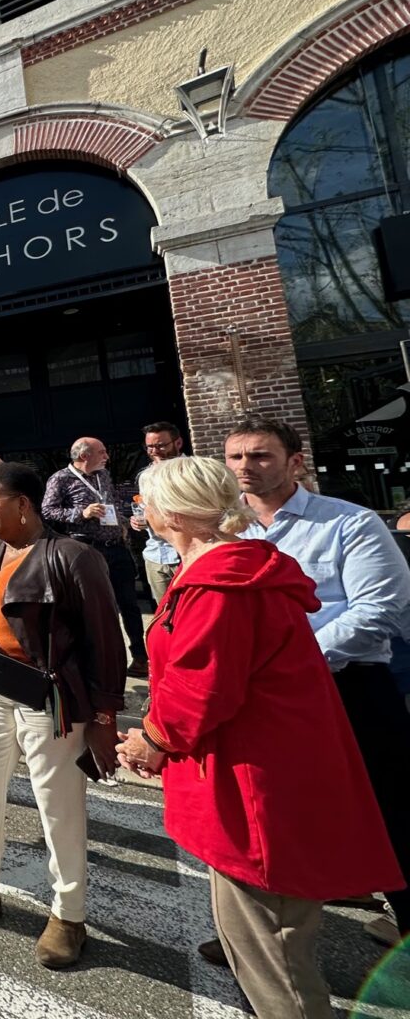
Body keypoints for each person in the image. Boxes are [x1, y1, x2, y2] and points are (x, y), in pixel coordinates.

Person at [117, 456, 402, 1018]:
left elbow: (201, 689)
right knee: (267, 938)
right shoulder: (229, 571)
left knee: (272, 954)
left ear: (173, 511)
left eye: (143, 500)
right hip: (258, 767)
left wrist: (149, 738)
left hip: (252, 781)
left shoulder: (221, 584)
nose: (140, 511)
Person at [0, 462, 124, 970]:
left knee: (58, 806)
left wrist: (103, 716)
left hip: (48, 700)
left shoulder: (74, 557)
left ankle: (69, 915)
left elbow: (105, 641)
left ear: (24, 504)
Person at [224, 416, 410, 943]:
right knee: (276, 812)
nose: (246, 468)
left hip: (348, 685)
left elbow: (380, 609)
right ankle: (262, 936)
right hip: (262, 693)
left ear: (295, 461)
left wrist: (294, 661)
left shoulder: (348, 523)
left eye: (260, 456)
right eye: (236, 457)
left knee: (388, 805)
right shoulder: (227, 529)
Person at [41, 437, 148, 677]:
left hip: (116, 547)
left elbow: (112, 504)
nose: (107, 456)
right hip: (87, 549)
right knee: (94, 607)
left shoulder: (104, 476)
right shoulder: (60, 479)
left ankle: (140, 657)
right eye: (102, 452)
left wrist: (123, 523)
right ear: (83, 456)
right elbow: (48, 511)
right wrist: (82, 512)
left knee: (129, 604)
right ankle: (99, 660)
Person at [130, 422, 184, 603]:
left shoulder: (193, 472)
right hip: (155, 554)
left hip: (185, 553)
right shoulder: (145, 476)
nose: (154, 451)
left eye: (161, 445)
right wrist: (140, 521)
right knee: (164, 614)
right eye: (150, 446)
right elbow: (146, 510)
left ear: (178, 443)